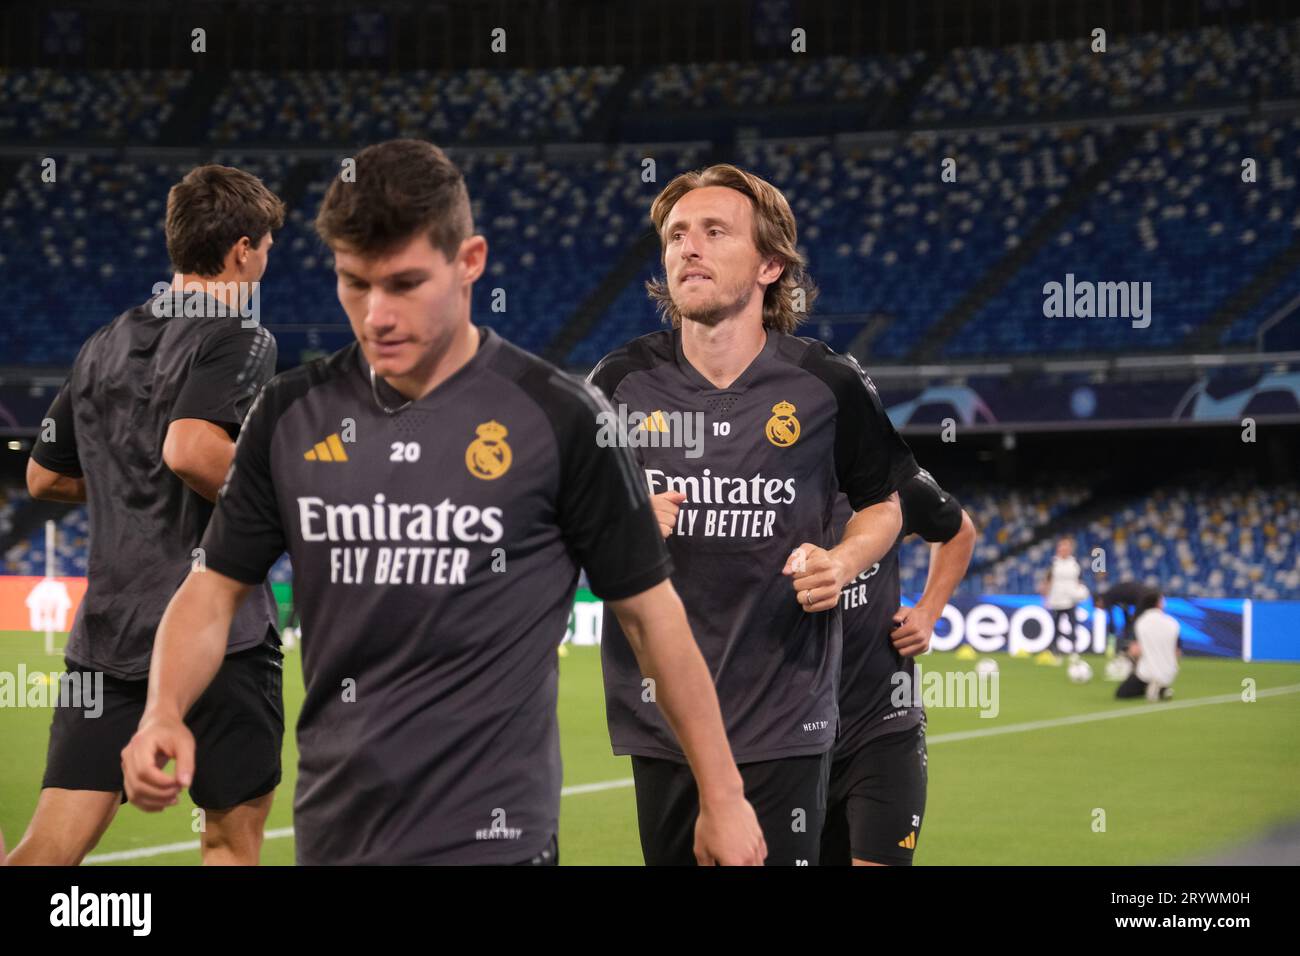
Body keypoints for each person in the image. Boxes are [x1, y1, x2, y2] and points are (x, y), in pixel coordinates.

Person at [121, 139, 765, 865]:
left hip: (498, 841)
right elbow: (211, 591)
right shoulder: (290, 414)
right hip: (338, 836)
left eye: (404, 283)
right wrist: (163, 711)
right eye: (354, 283)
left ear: (470, 262)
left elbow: (652, 618)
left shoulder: (561, 418)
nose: (377, 315)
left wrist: (722, 793)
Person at [589, 163, 911, 865]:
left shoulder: (827, 383)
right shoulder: (618, 383)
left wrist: (842, 560)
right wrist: (620, 526)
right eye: (676, 234)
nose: (688, 247)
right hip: (662, 721)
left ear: (770, 264)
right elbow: (557, 528)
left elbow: (883, 505)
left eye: (713, 231)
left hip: (784, 714)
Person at [10, 165, 285, 866]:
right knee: (228, 842)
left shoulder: (101, 344)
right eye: (268, 247)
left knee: (45, 852)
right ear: (242, 250)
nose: (266, 262)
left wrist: (126, 484)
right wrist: (290, 499)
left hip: (107, 639)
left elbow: (44, 475)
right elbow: (192, 450)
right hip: (219, 635)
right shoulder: (240, 335)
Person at [821, 466, 975, 866]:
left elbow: (959, 531)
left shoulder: (887, 476)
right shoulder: (763, 485)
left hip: (884, 723)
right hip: (788, 739)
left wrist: (928, 612)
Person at [1116, 590, 1181, 701]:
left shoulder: (1141, 622)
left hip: (1146, 672)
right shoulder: (1172, 622)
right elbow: (1178, 652)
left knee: (1122, 693)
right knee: (1159, 676)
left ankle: (1152, 687)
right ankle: (1161, 688)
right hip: (1169, 672)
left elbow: (1135, 650)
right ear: (1158, 603)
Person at [1041, 536, 1086, 655]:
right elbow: (1048, 581)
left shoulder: (1075, 564)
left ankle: (1074, 649)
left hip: (1071, 600)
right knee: (1055, 626)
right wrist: (1046, 598)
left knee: (1073, 625)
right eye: (1061, 547)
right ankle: (1054, 649)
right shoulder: (1054, 564)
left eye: (1065, 547)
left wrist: (1079, 594)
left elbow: (1079, 581)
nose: (1063, 549)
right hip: (1056, 600)